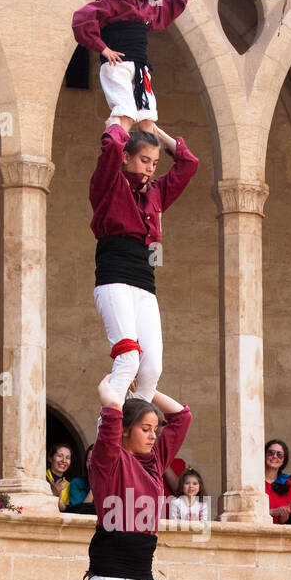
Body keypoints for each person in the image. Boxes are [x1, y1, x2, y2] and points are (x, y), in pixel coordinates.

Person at [87, 379, 190, 580]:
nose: (153, 434)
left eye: (155, 428)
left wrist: (146, 388)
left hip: (143, 577)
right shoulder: (108, 462)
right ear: (126, 431)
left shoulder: (156, 461)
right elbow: (111, 415)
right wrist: (114, 390)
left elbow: (183, 417)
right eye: (145, 428)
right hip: (111, 576)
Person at [88, 122, 199, 404]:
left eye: (155, 162)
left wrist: (155, 131)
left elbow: (188, 163)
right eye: (144, 160)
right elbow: (112, 145)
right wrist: (121, 124)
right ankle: (109, 436)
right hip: (114, 279)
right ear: (126, 158)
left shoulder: (156, 191)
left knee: (151, 369)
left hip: (145, 284)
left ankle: (133, 436)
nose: (151, 167)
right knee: (128, 358)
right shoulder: (109, 184)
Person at [72, 0, 198, 133]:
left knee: (147, 120)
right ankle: (112, 149)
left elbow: (164, 10)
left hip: (140, 70)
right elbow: (82, 19)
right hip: (118, 66)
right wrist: (103, 48)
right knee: (126, 115)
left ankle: (171, 154)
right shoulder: (110, 0)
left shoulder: (145, 5)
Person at [264, 440, 291, 523]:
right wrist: (272, 512)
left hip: (277, 532)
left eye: (279, 454)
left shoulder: (288, 484)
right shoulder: (254, 480)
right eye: (271, 452)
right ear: (264, 455)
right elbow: (247, 511)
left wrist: (284, 513)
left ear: (283, 461)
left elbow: (283, 521)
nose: (275, 456)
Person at [65, 444, 96, 515]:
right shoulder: (77, 483)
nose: (93, 464)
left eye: (97, 460)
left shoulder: (112, 484)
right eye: (89, 460)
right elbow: (80, 512)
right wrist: (94, 487)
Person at [47, 443, 73, 511]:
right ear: (50, 458)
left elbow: (66, 510)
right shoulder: (41, 477)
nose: (64, 461)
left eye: (67, 458)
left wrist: (57, 496)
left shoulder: (68, 485)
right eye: (60, 456)